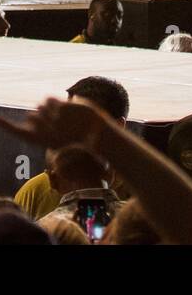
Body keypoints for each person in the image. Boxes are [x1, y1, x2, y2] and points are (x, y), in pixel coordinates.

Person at [12, 76, 130, 220]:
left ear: (118, 125)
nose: (72, 131)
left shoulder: (146, 192)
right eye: (68, 118)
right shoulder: (36, 191)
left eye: (84, 120)